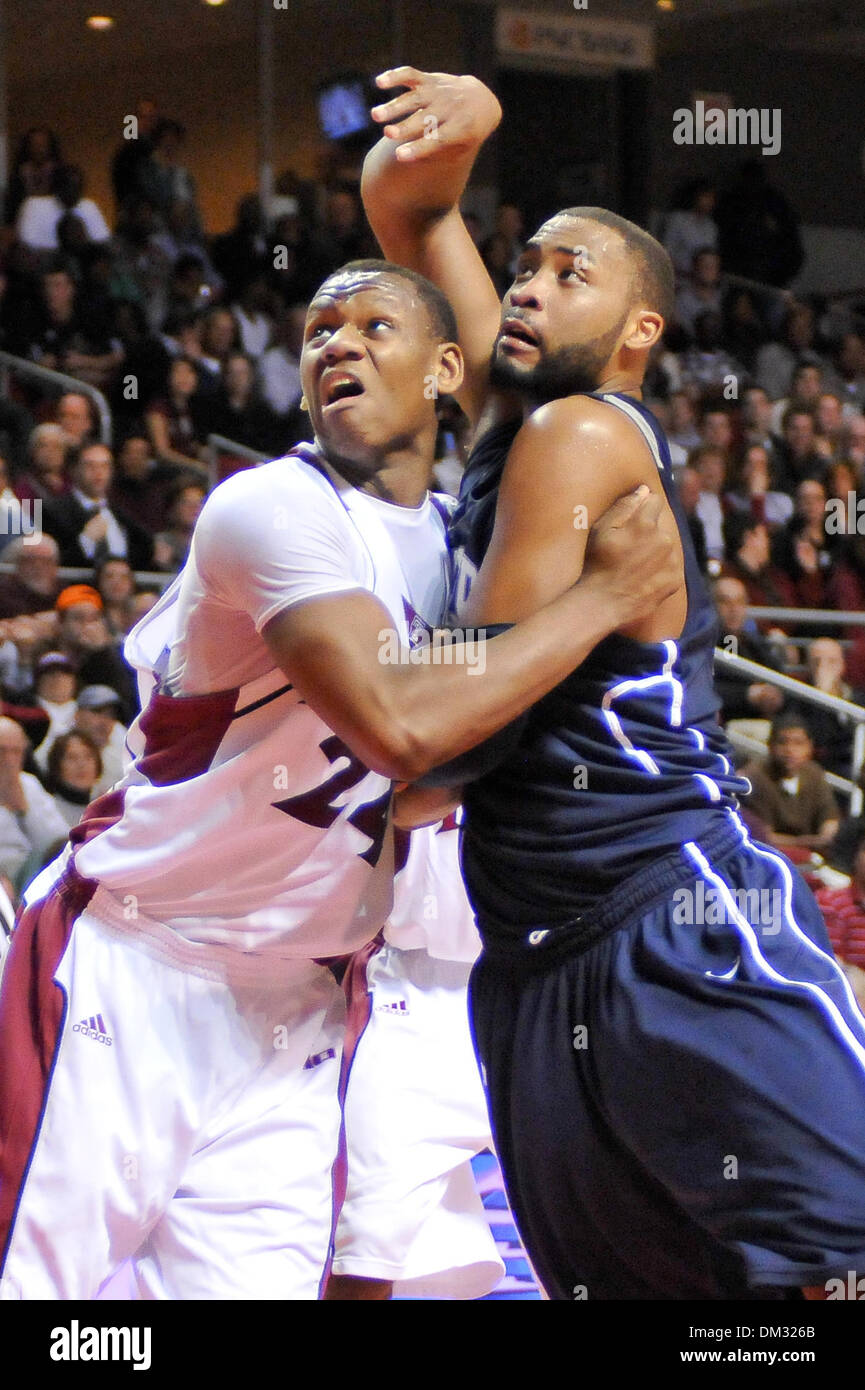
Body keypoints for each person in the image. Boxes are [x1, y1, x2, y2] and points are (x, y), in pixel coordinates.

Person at [0, 259, 677, 1300]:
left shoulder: (465, 549)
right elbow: (401, 726)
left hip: (302, 998)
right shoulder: (271, 507)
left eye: (372, 324)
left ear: (448, 367)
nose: (336, 344)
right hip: (133, 960)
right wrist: (598, 600)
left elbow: (442, 770)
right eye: (319, 329)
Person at [363, 64, 865, 1301]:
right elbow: (410, 213)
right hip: (536, 948)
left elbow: (482, 714)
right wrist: (471, 126)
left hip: (669, 911)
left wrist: (354, 786)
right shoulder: (515, 416)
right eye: (524, 264)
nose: (526, 285)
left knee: (837, 1261)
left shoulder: (576, 431)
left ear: (642, 330)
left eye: (566, 274)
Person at [740, 713, 840, 856]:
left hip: (811, 856)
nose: (790, 750)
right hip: (769, 854)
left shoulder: (814, 773)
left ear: (810, 747)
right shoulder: (756, 776)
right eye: (782, 742)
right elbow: (764, 835)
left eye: (798, 743)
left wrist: (827, 834)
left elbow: (829, 819)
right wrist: (809, 842)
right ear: (770, 745)